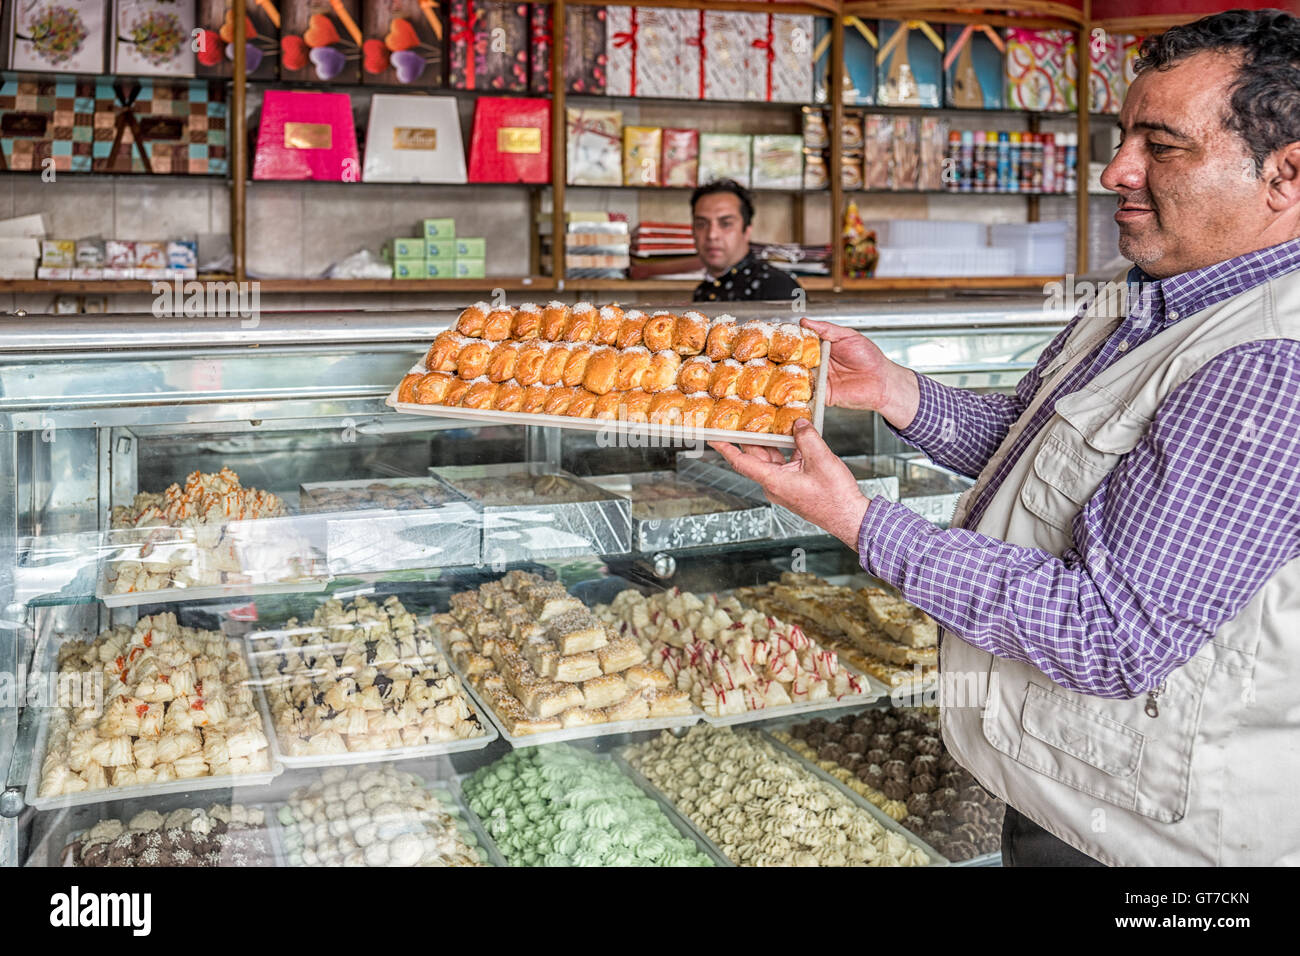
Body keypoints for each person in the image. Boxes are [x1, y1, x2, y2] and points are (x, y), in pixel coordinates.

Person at [712, 9, 1300, 866]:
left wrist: (861, 521)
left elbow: (1109, 632)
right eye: (1122, 135)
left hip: (1151, 846)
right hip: (1062, 791)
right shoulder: (1150, 292)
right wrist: (895, 391)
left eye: (1161, 146)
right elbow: (1039, 450)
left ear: (1286, 174)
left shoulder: (1269, 363)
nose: (1114, 170)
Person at [691, 179, 803, 302]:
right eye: (701, 224)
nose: (712, 235)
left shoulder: (780, 287)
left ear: (747, 230)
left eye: (726, 224)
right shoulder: (703, 290)